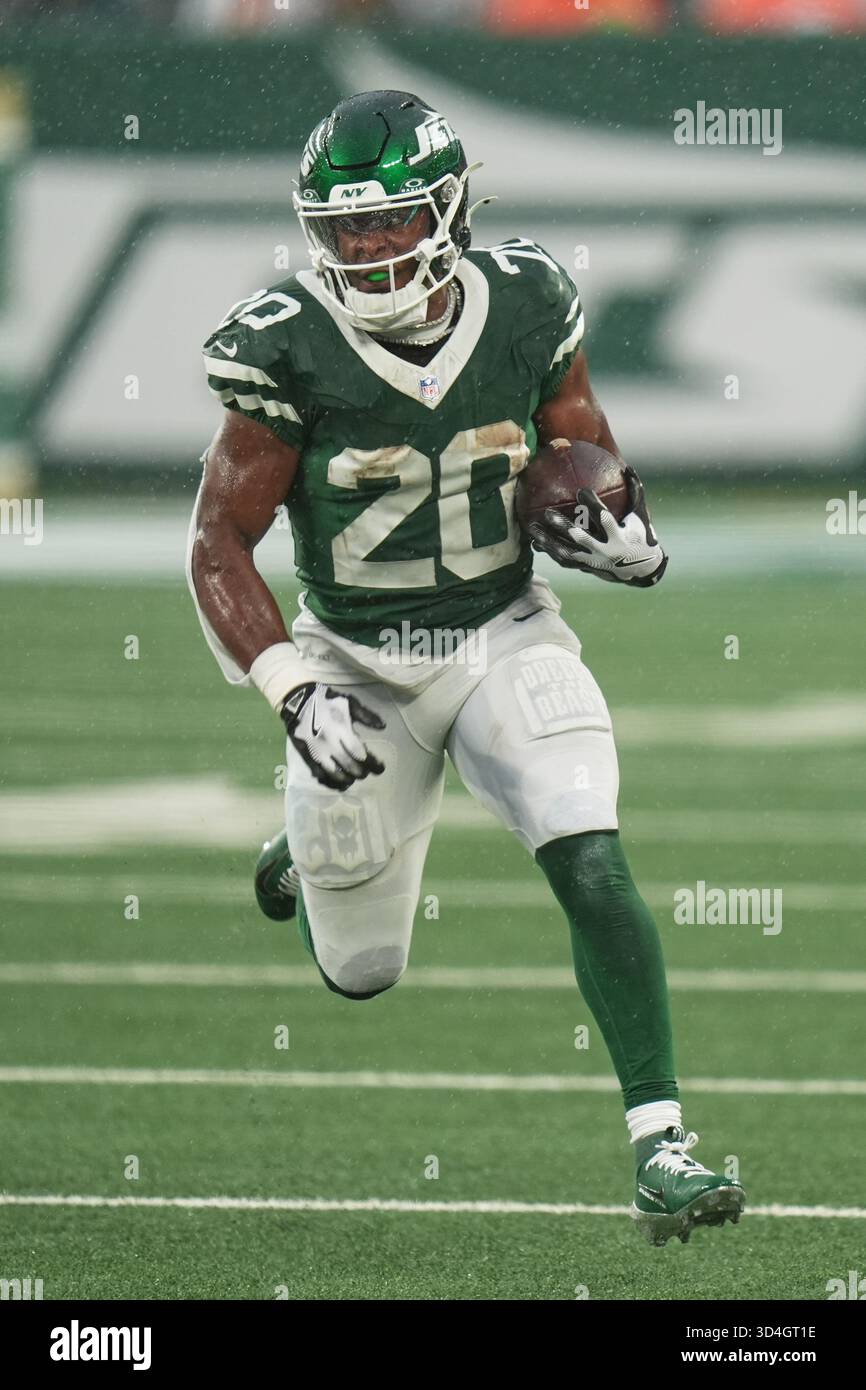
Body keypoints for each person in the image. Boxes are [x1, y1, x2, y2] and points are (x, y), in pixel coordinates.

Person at [187, 89, 745, 1247]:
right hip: (354, 659)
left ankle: (662, 1145)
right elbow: (217, 543)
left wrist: (622, 527)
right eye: (345, 229)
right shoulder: (283, 341)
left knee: (586, 849)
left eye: (390, 222)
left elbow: (577, 445)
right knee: (360, 972)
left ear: (446, 209)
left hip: (502, 630)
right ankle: (308, 843)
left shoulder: (528, 300)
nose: (368, 247)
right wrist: (291, 687)